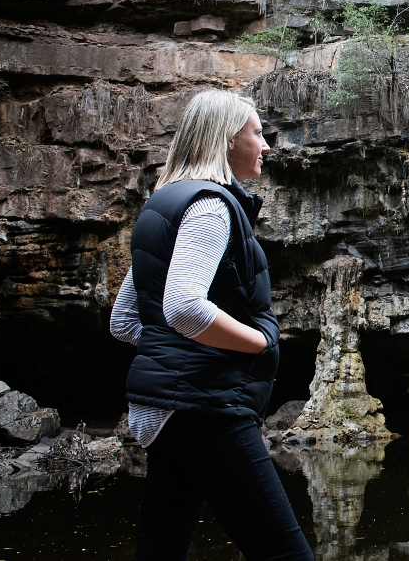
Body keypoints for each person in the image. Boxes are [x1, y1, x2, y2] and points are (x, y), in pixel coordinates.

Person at [109, 90, 313, 561]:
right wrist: (260, 343)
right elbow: (183, 309)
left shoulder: (162, 205)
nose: (266, 145)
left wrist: (174, 355)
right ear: (226, 139)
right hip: (205, 407)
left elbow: (125, 320)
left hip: (165, 411)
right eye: (257, 133)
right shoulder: (210, 207)